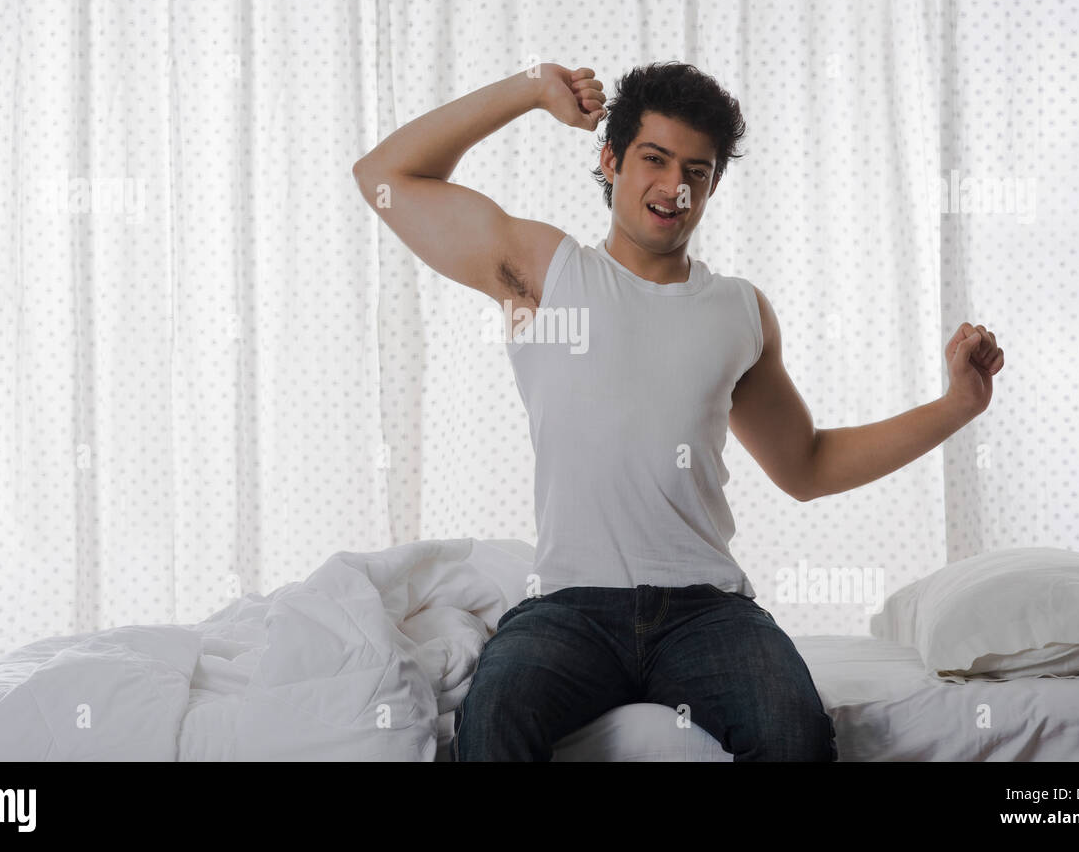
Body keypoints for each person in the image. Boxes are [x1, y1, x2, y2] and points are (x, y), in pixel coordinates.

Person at [352, 62, 1002, 761]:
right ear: (610, 159)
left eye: (697, 170)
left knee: (794, 732)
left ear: (713, 184)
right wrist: (532, 89)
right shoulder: (548, 273)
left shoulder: (739, 310)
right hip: (572, 605)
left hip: (706, 609)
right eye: (655, 159)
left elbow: (809, 465)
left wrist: (958, 405)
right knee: (495, 719)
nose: (675, 187)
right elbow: (386, 175)